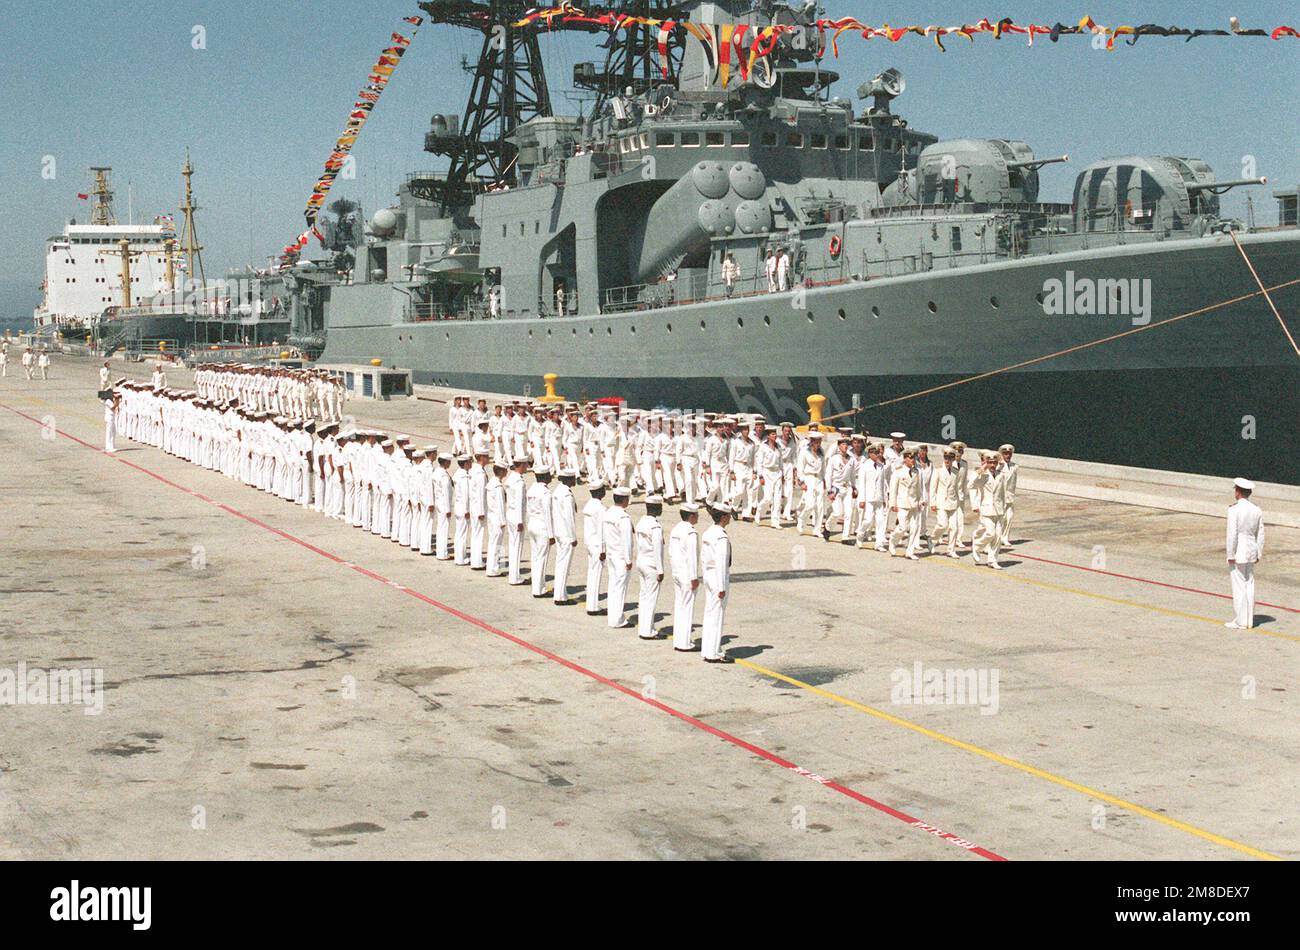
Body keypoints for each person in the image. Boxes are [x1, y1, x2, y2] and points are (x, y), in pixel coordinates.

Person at [1225, 478, 1264, 629]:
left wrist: (1230, 553)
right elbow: (1260, 533)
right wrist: (1258, 552)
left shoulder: (1234, 509)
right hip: (1251, 550)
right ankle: (1249, 620)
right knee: (1249, 585)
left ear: (1238, 492)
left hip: (1239, 551)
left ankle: (1241, 621)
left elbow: (1232, 534)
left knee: (1239, 586)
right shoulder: (1256, 509)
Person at [699, 503, 733, 663]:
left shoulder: (708, 532)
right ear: (724, 517)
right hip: (718, 578)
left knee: (710, 613)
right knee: (717, 615)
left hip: (709, 576)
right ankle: (713, 652)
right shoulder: (721, 537)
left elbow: (704, 558)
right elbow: (721, 562)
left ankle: (708, 649)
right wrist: (721, 586)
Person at [602, 486, 635, 628]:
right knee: (620, 589)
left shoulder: (608, 513)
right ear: (625, 499)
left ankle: (613, 617)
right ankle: (618, 619)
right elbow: (626, 540)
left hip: (611, 554)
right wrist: (628, 560)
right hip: (621, 557)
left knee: (613, 587)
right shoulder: (623, 517)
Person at [669, 503, 701, 651]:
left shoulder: (676, 529)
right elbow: (692, 557)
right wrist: (694, 577)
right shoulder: (690, 533)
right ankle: (684, 643)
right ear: (692, 516)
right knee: (687, 608)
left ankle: (678, 640)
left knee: (679, 606)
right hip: (687, 574)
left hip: (677, 572)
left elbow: (671, 552)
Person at [635, 495, 665, 640]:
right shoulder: (655, 526)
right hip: (652, 564)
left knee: (644, 596)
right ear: (657, 508)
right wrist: (661, 570)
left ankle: (644, 628)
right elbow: (658, 549)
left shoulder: (641, 522)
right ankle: (648, 631)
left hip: (641, 561)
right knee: (651, 598)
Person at [526, 466, 555, 597]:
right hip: (542, 527)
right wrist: (551, 534)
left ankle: (536, 587)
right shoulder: (545, 493)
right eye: (548, 475)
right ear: (544, 477)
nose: (551, 477)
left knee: (535, 557)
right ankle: (539, 589)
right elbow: (547, 513)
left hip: (532, 524)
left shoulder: (531, 489)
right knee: (542, 558)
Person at [552, 469, 579, 604]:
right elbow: (569, 517)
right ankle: (560, 597)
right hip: (566, 534)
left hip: (559, 531)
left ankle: (560, 592)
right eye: (573, 478)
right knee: (564, 565)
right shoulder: (567, 495)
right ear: (568, 479)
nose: (574, 480)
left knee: (560, 563)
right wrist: (573, 537)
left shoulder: (558, 490)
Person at [582, 482, 608, 614]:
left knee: (591, 574)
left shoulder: (589, 505)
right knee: (596, 576)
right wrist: (603, 550)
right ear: (598, 492)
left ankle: (590, 604)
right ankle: (593, 607)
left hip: (590, 543)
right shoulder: (600, 508)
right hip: (598, 545)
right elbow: (602, 530)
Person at [505, 459, 528, 584]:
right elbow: (519, 502)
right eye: (525, 465)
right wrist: (520, 521)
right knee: (517, 547)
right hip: (517, 517)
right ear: (522, 465)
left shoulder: (511, 478)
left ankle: (513, 575)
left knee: (512, 546)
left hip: (510, 514)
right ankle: (515, 577)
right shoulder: (519, 482)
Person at [485, 464, 507, 576]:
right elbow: (500, 505)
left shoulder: (491, 483)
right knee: (497, 544)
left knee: (492, 543)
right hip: (497, 518)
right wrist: (503, 521)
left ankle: (491, 567)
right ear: (502, 471)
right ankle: (493, 568)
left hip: (492, 516)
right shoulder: (498, 486)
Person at [998, 443, 1018, 550]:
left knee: (1009, 517)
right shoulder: (998, 466)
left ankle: (1005, 538)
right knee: (1001, 518)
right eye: (1005, 453)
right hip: (1001, 496)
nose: (1007, 456)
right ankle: (998, 536)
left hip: (1010, 496)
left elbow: (1013, 482)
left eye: (1009, 454)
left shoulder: (1014, 466)